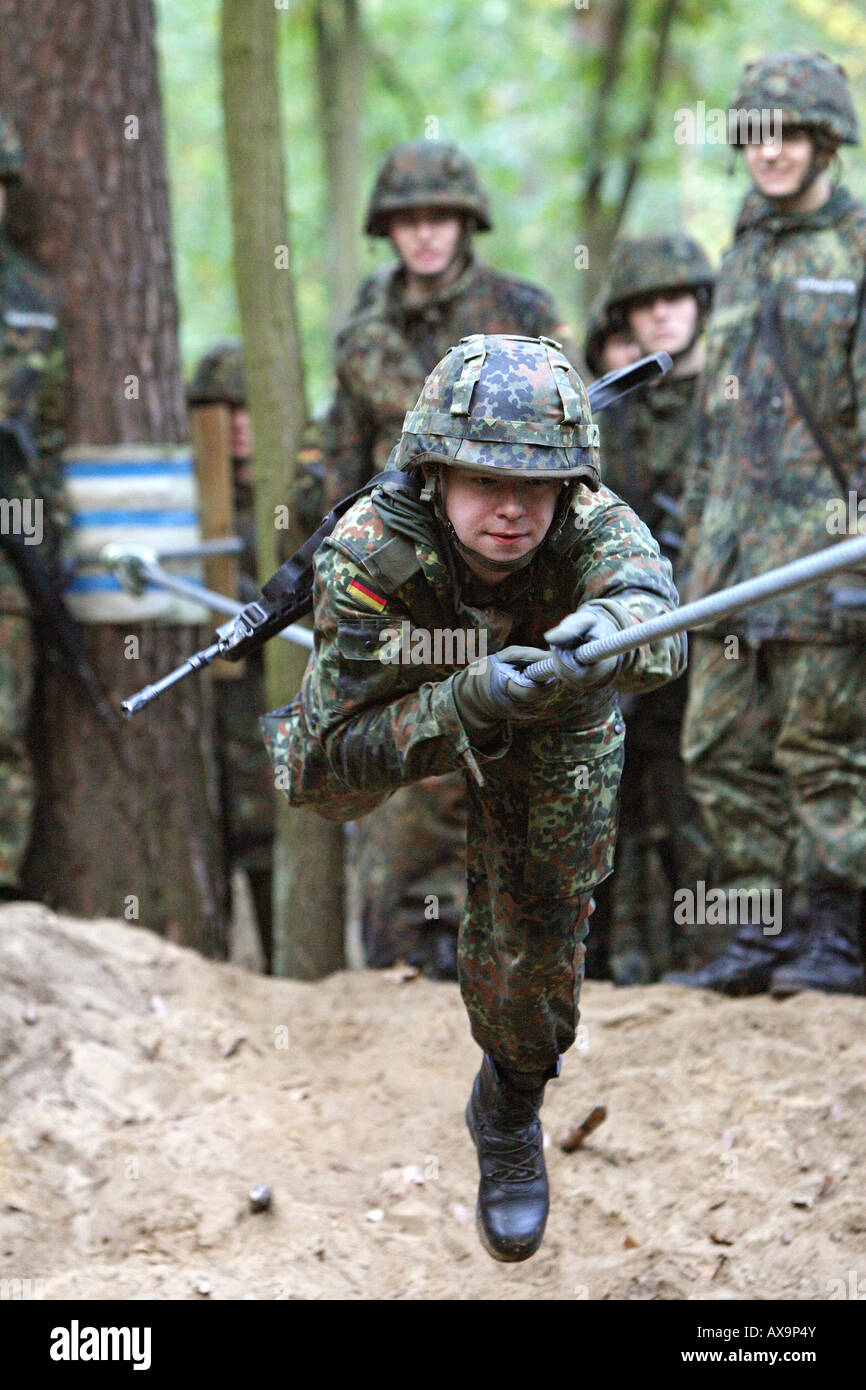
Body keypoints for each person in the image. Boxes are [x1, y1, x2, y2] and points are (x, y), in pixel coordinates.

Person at [263, 334, 685, 1261]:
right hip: (419, 698)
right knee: (337, 801)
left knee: (537, 953)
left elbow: (661, 632)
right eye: (486, 482)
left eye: (535, 487)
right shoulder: (373, 550)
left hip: (559, 707)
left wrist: (608, 632)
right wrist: (463, 700)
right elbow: (329, 770)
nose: (511, 510)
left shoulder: (595, 522)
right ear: (435, 475)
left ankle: (509, 1104)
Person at [321, 139, 578, 980]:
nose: (425, 235)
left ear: (468, 222)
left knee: (510, 759)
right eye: (407, 221)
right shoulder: (365, 336)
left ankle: (512, 962)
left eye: (439, 218)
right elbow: (332, 457)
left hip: (514, 570)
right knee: (402, 761)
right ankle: (407, 957)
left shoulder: (523, 309)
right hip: (402, 578)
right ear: (385, 231)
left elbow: (580, 443)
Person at [667, 51, 866, 997]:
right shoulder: (740, 251)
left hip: (828, 557)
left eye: (787, 134)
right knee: (718, 748)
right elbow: (715, 418)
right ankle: (758, 932)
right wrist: (688, 548)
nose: (770, 152)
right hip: (730, 563)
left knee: (822, 755)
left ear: (826, 138)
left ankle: (837, 938)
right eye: (754, 135)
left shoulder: (858, 247)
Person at [594, 233, 714, 982]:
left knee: (700, 809)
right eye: (645, 304)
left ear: (702, 304)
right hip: (621, 639)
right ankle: (599, 967)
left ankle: (715, 960)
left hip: (720, 635)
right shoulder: (611, 417)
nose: (662, 315)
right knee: (605, 809)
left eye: (674, 299)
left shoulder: (738, 400)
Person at [187, 342, 276, 968]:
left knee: (270, 844)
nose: (239, 425)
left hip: (272, 701)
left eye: (249, 409)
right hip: (204, 712)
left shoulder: (292, 504)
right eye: (223, 411)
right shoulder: (191, 503)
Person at [0, 109, 66, 901]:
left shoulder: (32, 300)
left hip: (11, 552)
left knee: (4, 729)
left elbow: (45, 442)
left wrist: (55, 547)